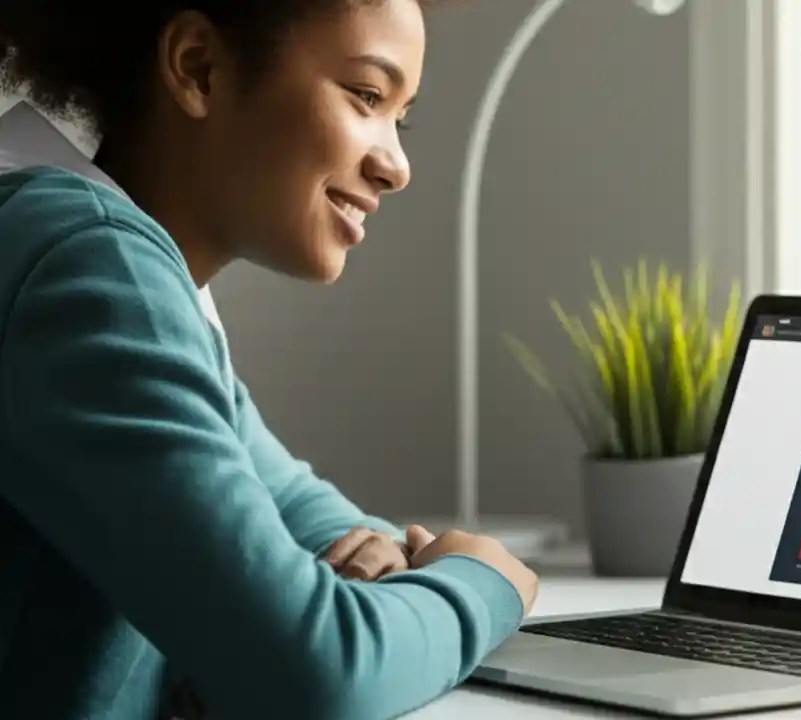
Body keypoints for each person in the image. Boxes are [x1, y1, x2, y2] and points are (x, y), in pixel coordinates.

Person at [0, 2, 539, 718]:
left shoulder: (129, 285)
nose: (397, 166)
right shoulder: (89, 271)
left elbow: (320, 526)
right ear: (199, 68)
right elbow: (320, 673)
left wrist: (375, 571)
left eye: (399, 118)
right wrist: (484, 579)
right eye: (367, 96)